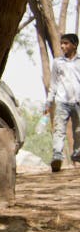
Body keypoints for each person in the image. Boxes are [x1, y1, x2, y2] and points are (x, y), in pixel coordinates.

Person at [44, 33, 80, 172]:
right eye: (62, 43)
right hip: (61, 102)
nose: (62, 46)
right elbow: (53, 84)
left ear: (74, 45)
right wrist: (48, 102)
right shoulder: (57, 62)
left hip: (78, 101)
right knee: (59, 130)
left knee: (78, 131)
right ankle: (57, 157)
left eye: (66, 43)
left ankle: (77, 156)